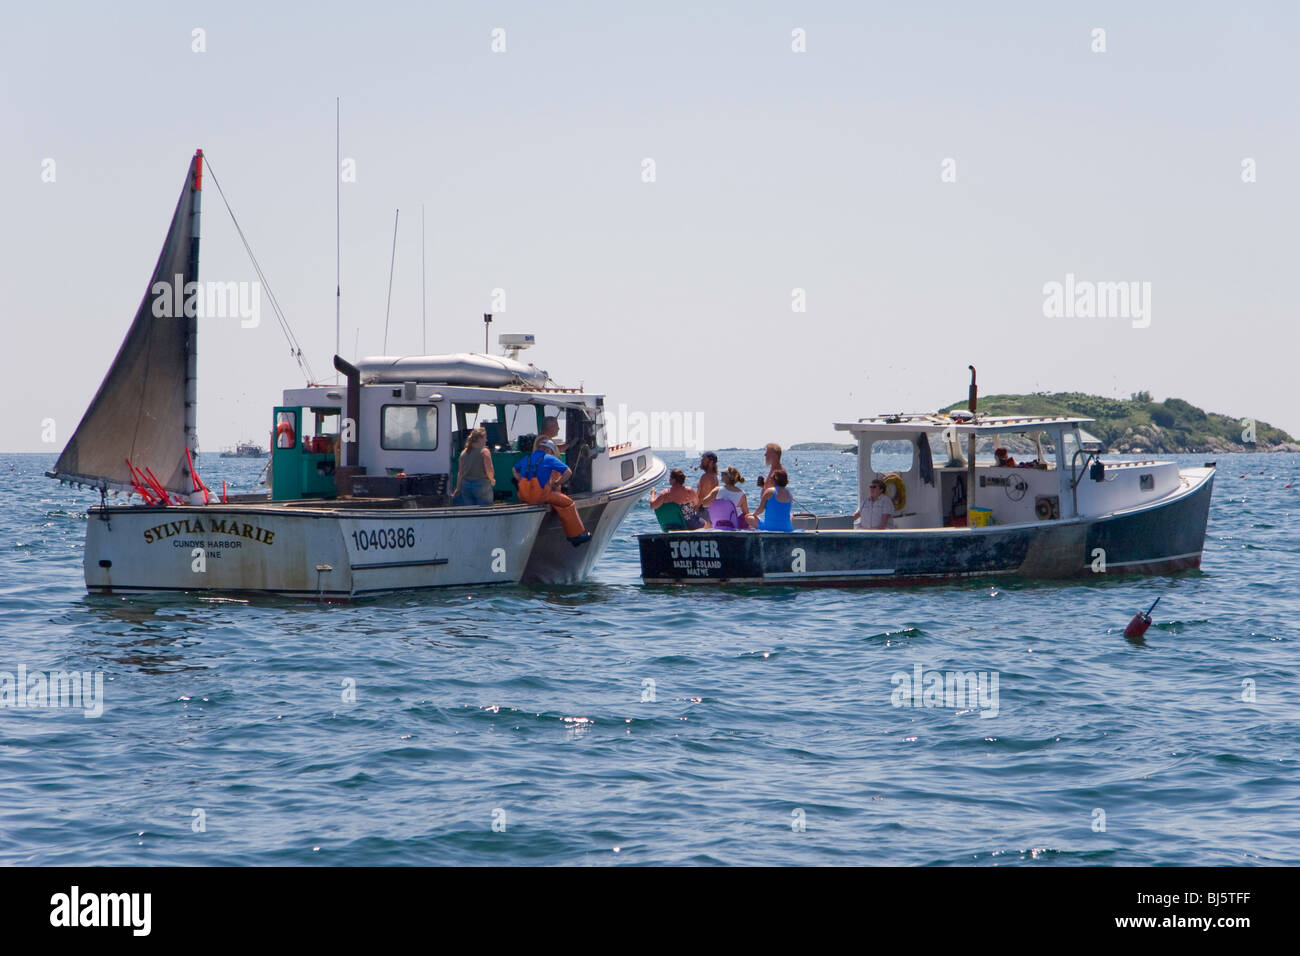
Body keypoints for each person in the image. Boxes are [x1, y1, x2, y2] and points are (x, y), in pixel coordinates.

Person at [512, 437, 591, 546]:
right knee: (568, 503)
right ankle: (576, 536)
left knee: (557, 502)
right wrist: (557, 483)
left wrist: (520, 479)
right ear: (549, 450)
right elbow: (568, 472)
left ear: (539, 448)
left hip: (524, 496)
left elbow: (514, 470)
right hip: (541, 496)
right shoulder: (549, 458)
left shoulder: (528, 458)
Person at [452, 427, 495, 506]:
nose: (486, 440)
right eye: (485, 438)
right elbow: (489, 469)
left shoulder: (463, 453)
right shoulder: (484, 451)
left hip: (465, 486)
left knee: (470, 512)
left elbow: (460, 473)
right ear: (479, 439)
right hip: (482, 485)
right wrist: (492, 479)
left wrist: (458, 488)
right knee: (484, 512)